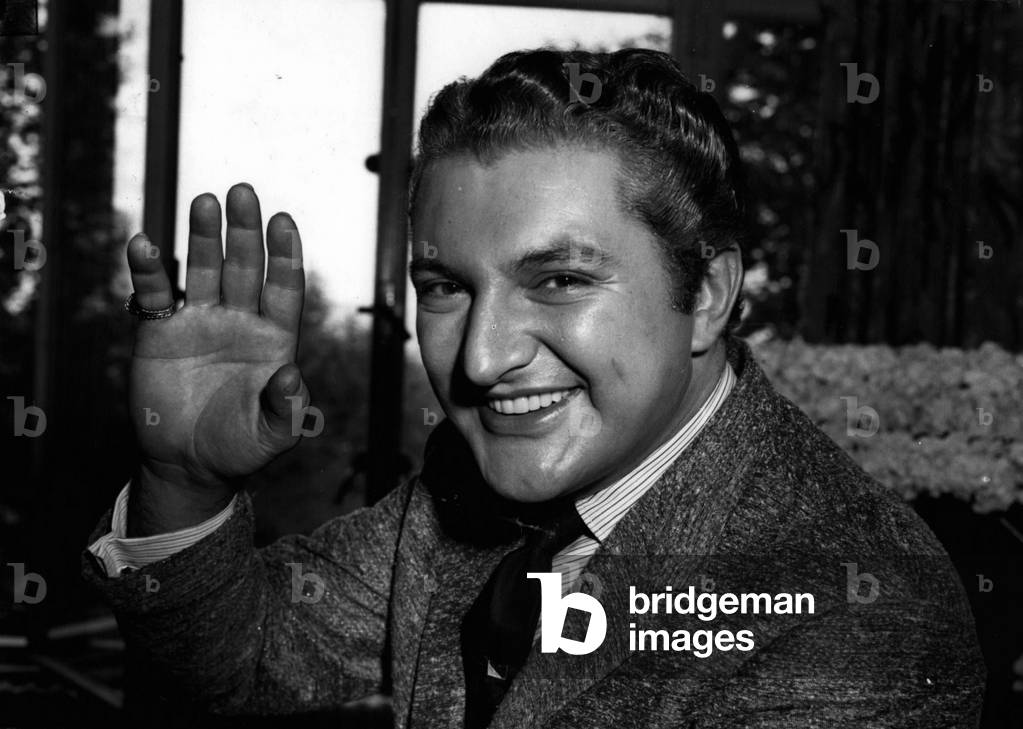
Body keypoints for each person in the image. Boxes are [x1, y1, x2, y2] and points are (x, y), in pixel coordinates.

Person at [83, 48, 985, 727]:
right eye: (445, 287)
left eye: (557, 279)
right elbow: (243, 665)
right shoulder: (465, 483)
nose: (478, 360)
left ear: (706, 294)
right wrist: (186, 479)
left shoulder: (854, 609)